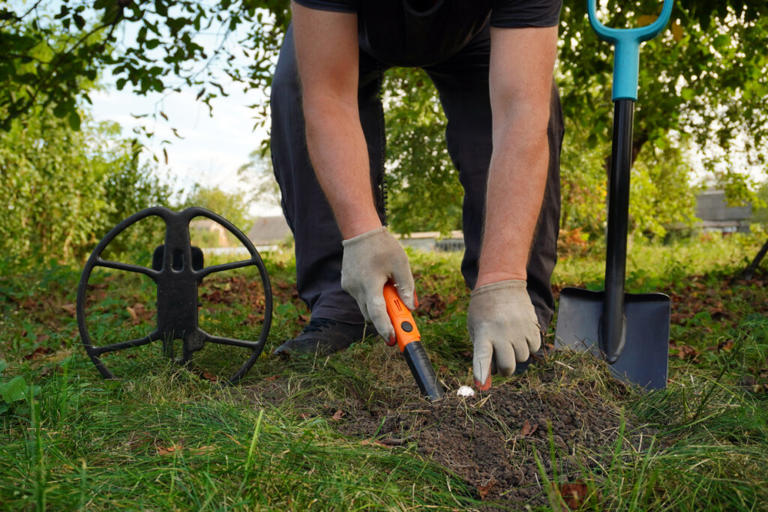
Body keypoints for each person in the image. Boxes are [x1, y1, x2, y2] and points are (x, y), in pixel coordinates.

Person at [270, 0, 564, 390]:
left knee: (539, 101)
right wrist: (362, 235)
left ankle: (517, 312)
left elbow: (520, 112)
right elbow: (328, 98)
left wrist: (503, 277)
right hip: (348, 27)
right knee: (297, 88)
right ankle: (342, 305)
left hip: (480, 29)